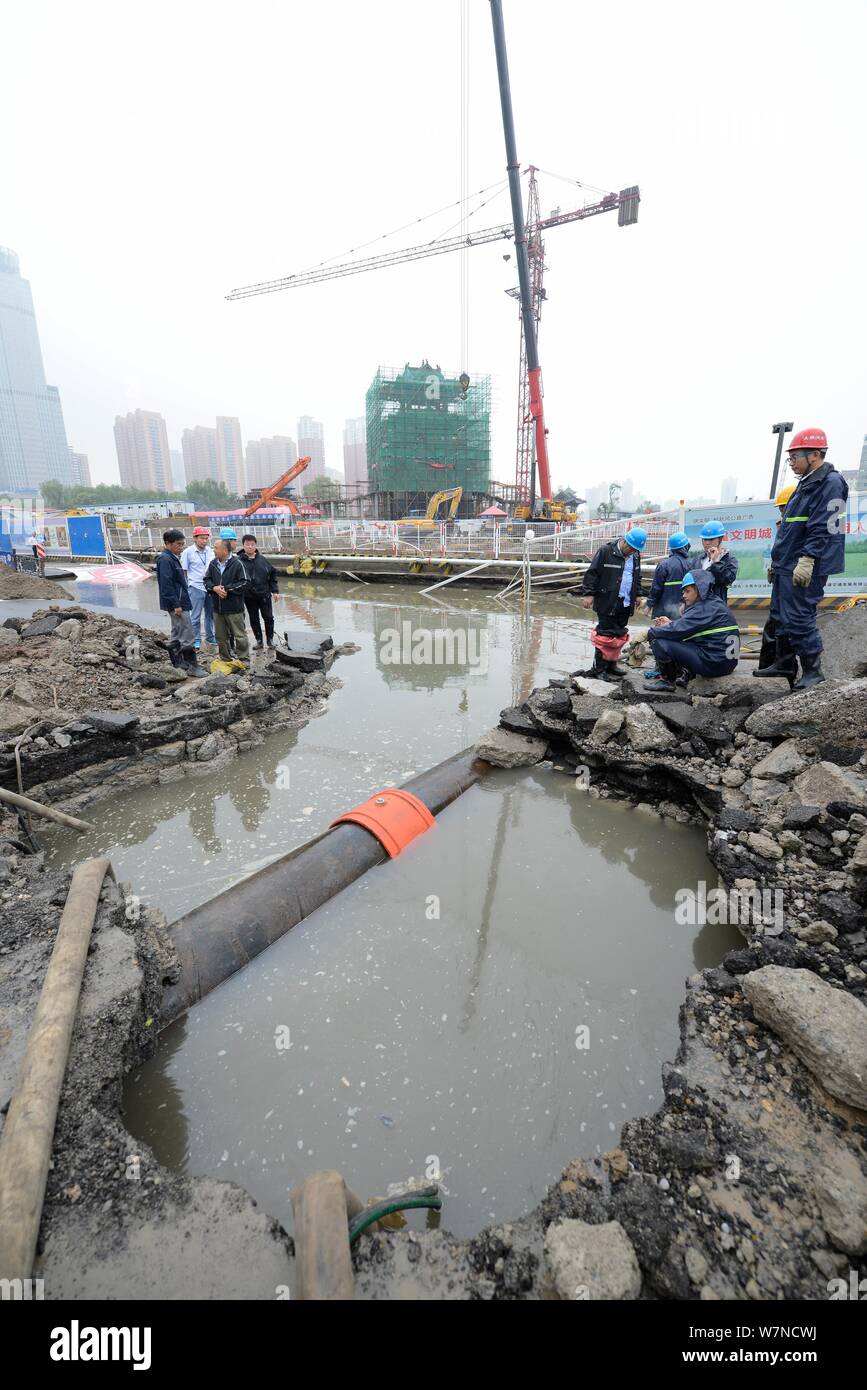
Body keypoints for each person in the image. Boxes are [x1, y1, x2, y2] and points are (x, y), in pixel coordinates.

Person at [753, 427, 848, 690]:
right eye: (790, 458)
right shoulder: (806, 482)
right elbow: (790, 526)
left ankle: (813, 671)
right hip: (788, 563)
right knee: (780, 615)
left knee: (799, 616)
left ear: (815, 455)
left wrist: (808, 559)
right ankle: (784, 663)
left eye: (795, 457)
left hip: (805, 564)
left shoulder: (830, 483)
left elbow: (822, 527)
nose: (792, 463)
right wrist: (779, 561)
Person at [647, 569, 740, 690]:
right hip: (725, 662)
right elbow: (689, 628)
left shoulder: (702, 608)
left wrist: (649, 632)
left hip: (714, 663)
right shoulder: (714, 604)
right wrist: (671, 624)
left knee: (660, 641)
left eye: (687, 591)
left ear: (700, 589)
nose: (683, 595)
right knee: (684, 640)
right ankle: (688, 676)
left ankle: (667, 681)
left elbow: (677, 631)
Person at [580, 527, 646, 680]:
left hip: (625, 601)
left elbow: (637, 576)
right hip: (607, 599)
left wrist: (638, 594)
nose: (632, 551)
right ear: (624, 541)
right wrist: (589, 594)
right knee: (604, 634)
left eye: (635, 549)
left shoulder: (635, 555)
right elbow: (592, 573)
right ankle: (599, 668)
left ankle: (612, 664)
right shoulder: (605, 551)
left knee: (619, 633)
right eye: (630, 548)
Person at [155, 529, 207, 677]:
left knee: (177, 631)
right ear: (168, 544)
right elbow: (166, 585)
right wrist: (176, 604)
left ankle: (178, 662)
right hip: (177, 603)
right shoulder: (166, 559)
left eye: (183, 544)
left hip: (179, 600)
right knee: (187, 632)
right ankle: (192, 666)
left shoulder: (172, 557)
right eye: (178, 544)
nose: (181, 547)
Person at [756, 484, 796, 673]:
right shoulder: (784, 526)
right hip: (781, 578)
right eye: (780, 509)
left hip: (790, 580)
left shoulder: (797, 526)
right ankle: (768, 665)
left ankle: (785, 667)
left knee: (785, 622)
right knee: (774, 623)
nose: (781, 512)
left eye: (783, 507)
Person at [204, 537, 250, 668]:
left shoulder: (237, 564)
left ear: (225, 550)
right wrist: (214, 588)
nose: (214, 550)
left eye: (216, 548)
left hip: (234, 608)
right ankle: (225, 658)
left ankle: (244, 658)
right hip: (217, 608)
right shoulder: (213, 564)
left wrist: (227, 589)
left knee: (239, 635)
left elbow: (245, 582)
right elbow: (206, 580)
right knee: (220, 636)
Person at [238, 533, 279, 649]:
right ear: (243, 546)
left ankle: (270, 640)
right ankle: (259, 641)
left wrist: (275, 591)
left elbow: (272, 575)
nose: (250, 547)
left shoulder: (262, 560)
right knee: (254, 618)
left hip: (264, 594)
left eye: (252, 544)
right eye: (247, 544)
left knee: (269, 617)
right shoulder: (239, 561)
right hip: (249, 596)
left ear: (255, 545)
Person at [181, 527, 216, 650]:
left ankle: (210, 637)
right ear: (195, 538)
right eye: (202, 538)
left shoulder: (210, 551)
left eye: (206, 538)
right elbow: (184, 571)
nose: (204, 541)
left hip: (209, 587)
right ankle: (196, 639)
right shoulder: (188, 552)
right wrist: (186, 587)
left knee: (210, 614)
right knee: (195, 616)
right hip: (195, 586)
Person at [691, 521, 738, 602]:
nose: (707, 542)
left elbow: (726, 580)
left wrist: (715, 562)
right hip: (697, 607)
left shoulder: (729, 560)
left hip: (716, 608)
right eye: (705, 539)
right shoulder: (698, 560)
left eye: (711, 539)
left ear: (720, 539)